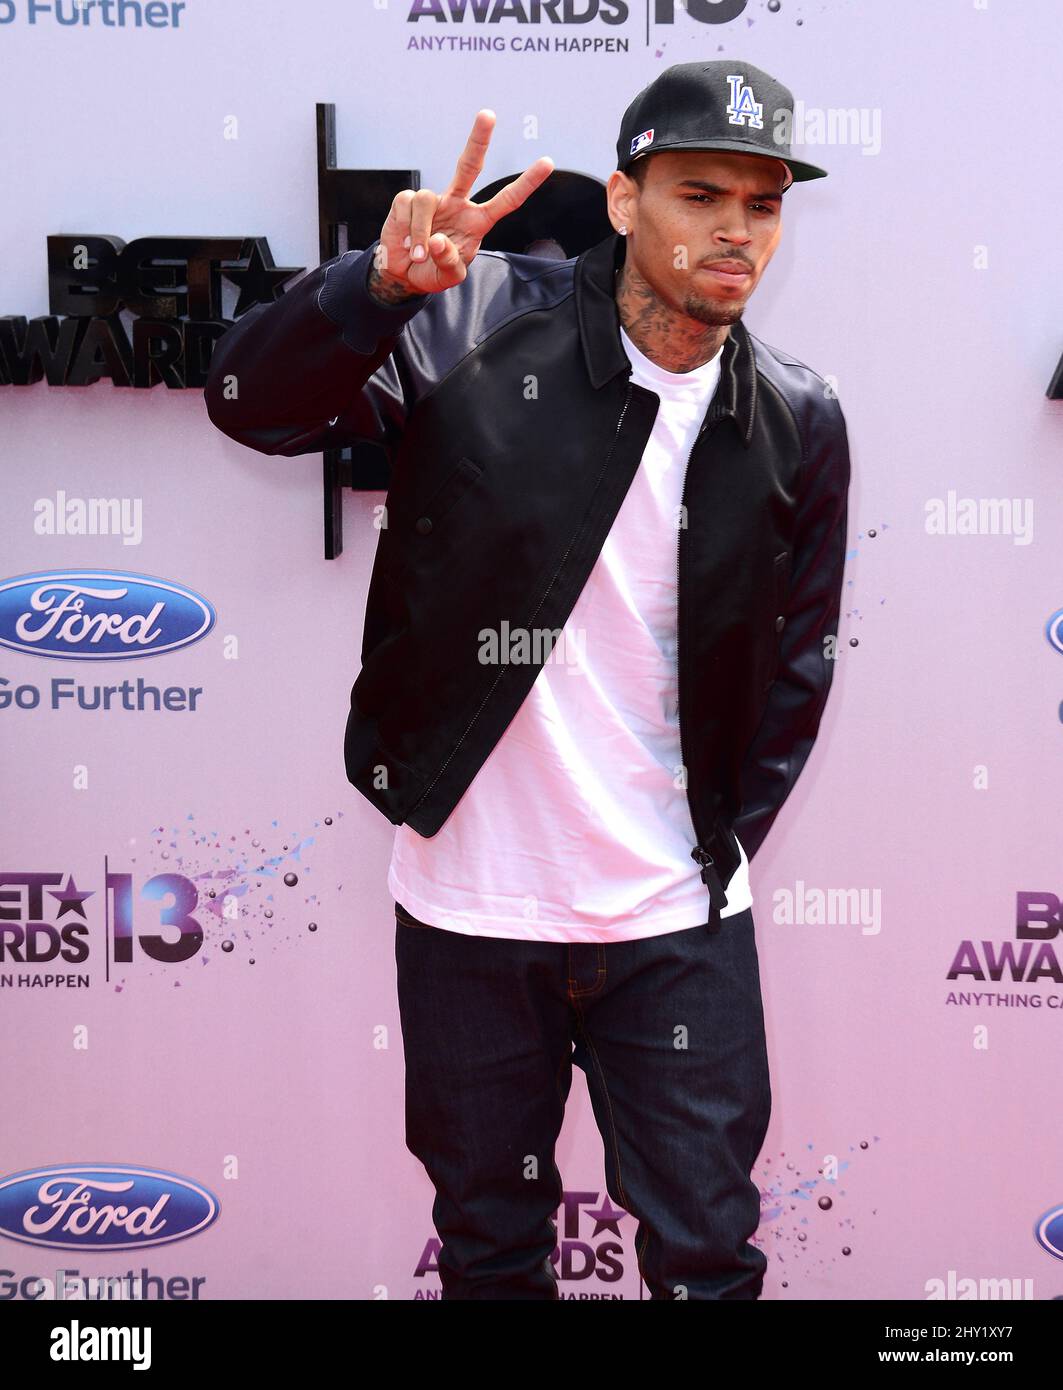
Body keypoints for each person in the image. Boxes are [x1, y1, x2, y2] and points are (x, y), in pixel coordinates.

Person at [204, 60, 852, 1300]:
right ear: (622, 200)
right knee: (491, 1252)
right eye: (698, 190)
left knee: (707, 1262)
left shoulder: (795, 417)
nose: (733, 227)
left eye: (761, 203)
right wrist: (376, 289)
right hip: (470, 913)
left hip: (673, 925)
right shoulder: (469, 327)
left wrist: (708, 847)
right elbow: (251, 406)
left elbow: (797, 668)